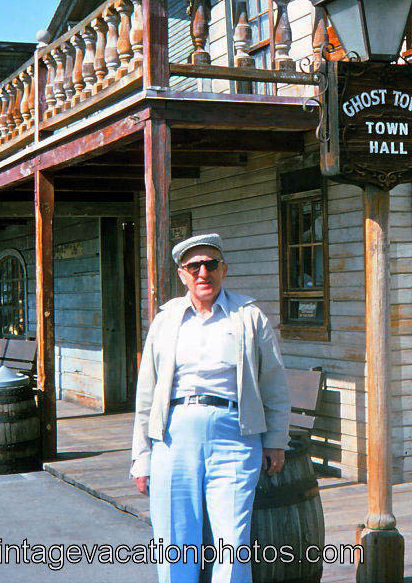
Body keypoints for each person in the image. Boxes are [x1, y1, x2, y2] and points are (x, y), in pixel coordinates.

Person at [131, 233, 290, 583]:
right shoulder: (166, 320)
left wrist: (276, 440)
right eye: (194, 266)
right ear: (182, 275)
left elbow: (274, 384)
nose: (203, 272)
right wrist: (141, 456)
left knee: (232, 539)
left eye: (211, 264)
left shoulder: (250, 317)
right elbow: (147, 394)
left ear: (224, 269)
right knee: (174, 536)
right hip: (174, 434)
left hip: (234, 432)